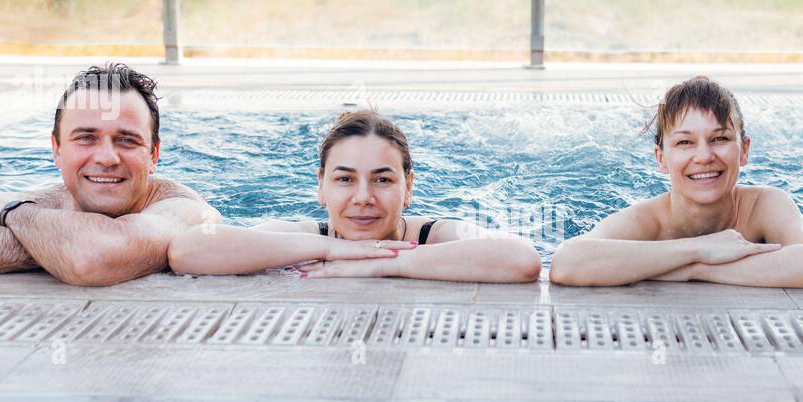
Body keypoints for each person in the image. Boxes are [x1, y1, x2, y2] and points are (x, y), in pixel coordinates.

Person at [0, 62, 219, 287]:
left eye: (127, 140)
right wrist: (49, 243)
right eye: (86, 138)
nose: (107, 157)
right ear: (56, 148)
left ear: (153, 154)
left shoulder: (182, 208)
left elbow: (92, 257)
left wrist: (14, 220)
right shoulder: (37, 204)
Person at [167, 109, 542, 283]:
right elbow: (189, 251)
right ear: (321, 186)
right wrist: (332, 250)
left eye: (382, 181)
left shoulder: (433, 234)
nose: (363, 197)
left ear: (408, 187)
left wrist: (383, 262)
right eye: (345, 180)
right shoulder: (306, 236)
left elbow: (522, 259)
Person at [548, 76, 803, 288]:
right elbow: (567, 263)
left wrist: (692, 268)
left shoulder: (765, 206)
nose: (704, 156)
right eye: (685, 143)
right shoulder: (648, 221)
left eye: (720, 139)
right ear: (661, 159)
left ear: (745, 150)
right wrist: (699, 248)